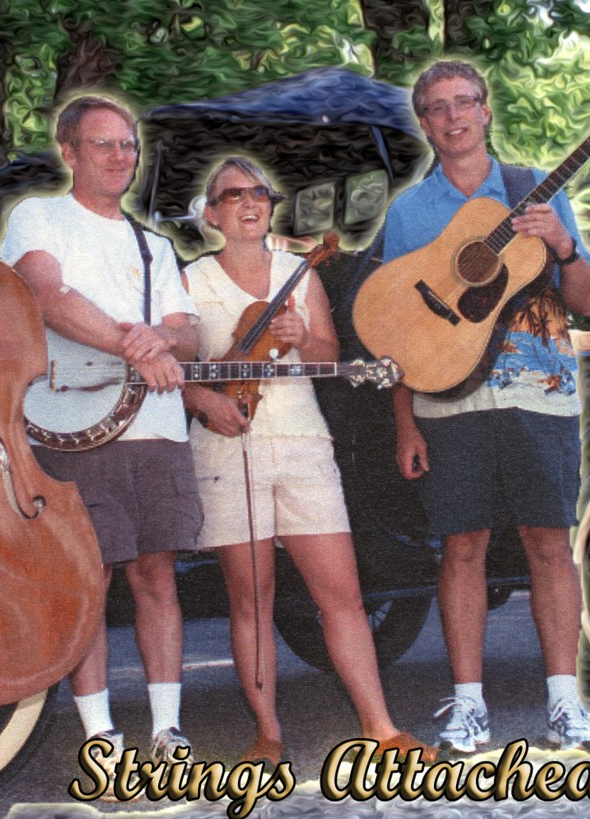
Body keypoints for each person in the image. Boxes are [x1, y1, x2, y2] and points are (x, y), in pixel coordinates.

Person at [181, 156, 437, 766]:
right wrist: (203, 401)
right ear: (212, 214)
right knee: (252, 600)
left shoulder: (301, 275)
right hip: (226, 445)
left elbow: (328, 353)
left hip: (301, 441)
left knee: (342, 595)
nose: (249, 203)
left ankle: (382, 729)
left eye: (260, 193)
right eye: (233, 194)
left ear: (270, 206)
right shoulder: (189, 280)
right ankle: (267, 734)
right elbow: (181, 370)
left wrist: (302, 337)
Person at [382, 60, 590, 754]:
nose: (452, 117)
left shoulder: (533, 192)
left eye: (464, 103)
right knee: (463, 547)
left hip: (539, 392)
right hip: (450, 400)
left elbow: (587, 302)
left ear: (485, 111)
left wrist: (563, 244)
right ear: (424, 124)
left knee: (548, 545)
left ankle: (565, 704)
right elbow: (395, 328)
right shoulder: (411, 212)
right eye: (437, 108)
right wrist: (404, 421)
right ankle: (470, 706)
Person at [0, 95, 203, 793]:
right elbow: (44, 294)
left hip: (157, 428)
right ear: (70, 151)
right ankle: (100, 734)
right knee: (92, 576)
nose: (120, 156)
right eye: (104, 144)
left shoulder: (155, 244)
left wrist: (158, 339)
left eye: (128, 145)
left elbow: (189, 333)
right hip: (75, 430)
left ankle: (167, 726)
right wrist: (132, 338)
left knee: (156, 576)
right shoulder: (37, 217)